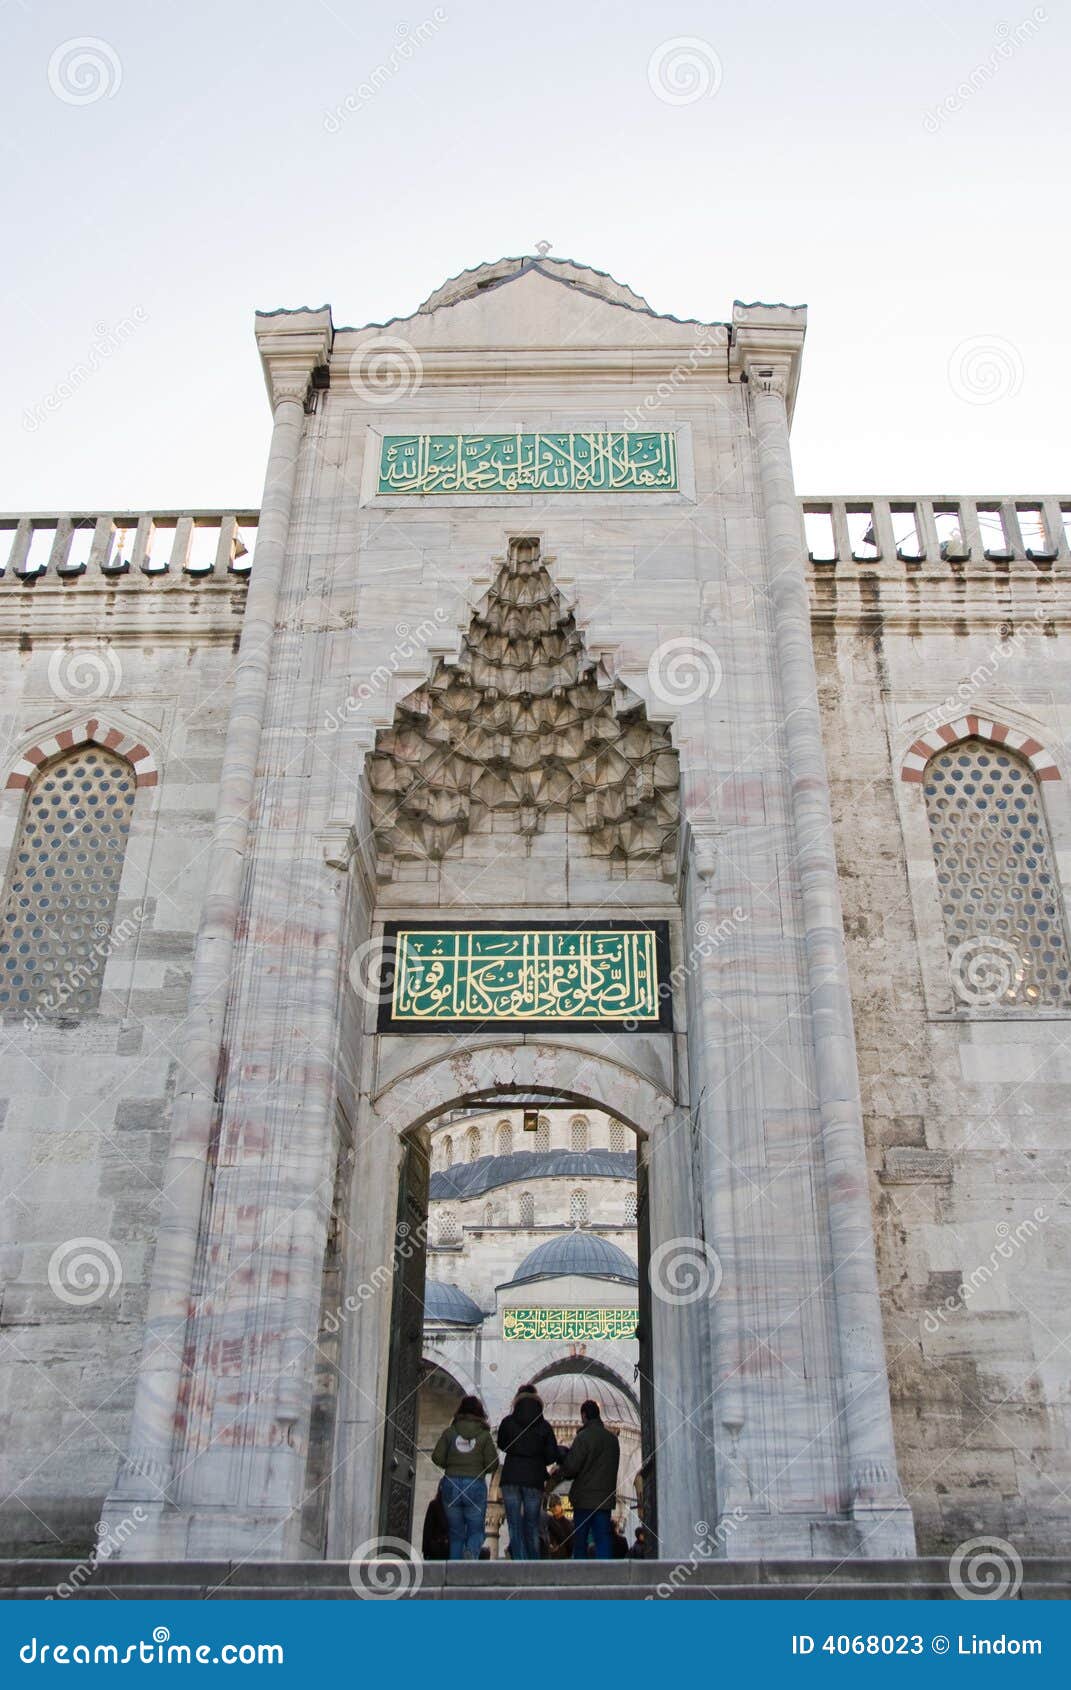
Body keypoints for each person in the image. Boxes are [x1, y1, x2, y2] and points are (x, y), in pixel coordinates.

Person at [496, 1385, 562, 1560]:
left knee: (514, 1524)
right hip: (534, 1479)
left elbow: (501, 1444)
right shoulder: (544, 1427)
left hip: (511, 1478)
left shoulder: (508, 1422)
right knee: (532, 1525)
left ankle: (519, 1562)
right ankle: (533, 1564)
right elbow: (551, 1456)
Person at [431, 1395, 499, 1560]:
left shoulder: (450, 1433)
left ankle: (455, 1572)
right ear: (479, 1412)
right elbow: (493, 1464)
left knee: (455, 1534)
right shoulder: (484, 1435)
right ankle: (470, 1554)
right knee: (476, 1531)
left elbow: (436, 1458)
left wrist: (452, 1464)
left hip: (451, 1484)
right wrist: (479, 1468)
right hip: (475, 1484)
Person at [555, 1400, 620, 1561]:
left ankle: (582, 1575)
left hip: (584, 1499)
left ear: (584, 1415)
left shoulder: (583, 1438)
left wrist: (563, 1462)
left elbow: (572, 1467)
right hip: (604, 1499)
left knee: (581, 1540)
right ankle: (605, 1574)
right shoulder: (612, 1440)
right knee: (603, 1538)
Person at [420, 1481, 450, 1561]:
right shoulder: (434, 1505)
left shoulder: (457, 1508)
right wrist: (426, 1551)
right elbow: (427, 1529)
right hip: (437, 1551)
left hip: (451, 1551)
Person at [545, 1493, 573, 1559]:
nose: (553, 1508)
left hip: (564, 1555)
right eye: (551, 1506)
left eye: (555, 1505)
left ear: (560, 1506)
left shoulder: (567, 1524)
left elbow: (570, 1545)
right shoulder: (549, 1521)